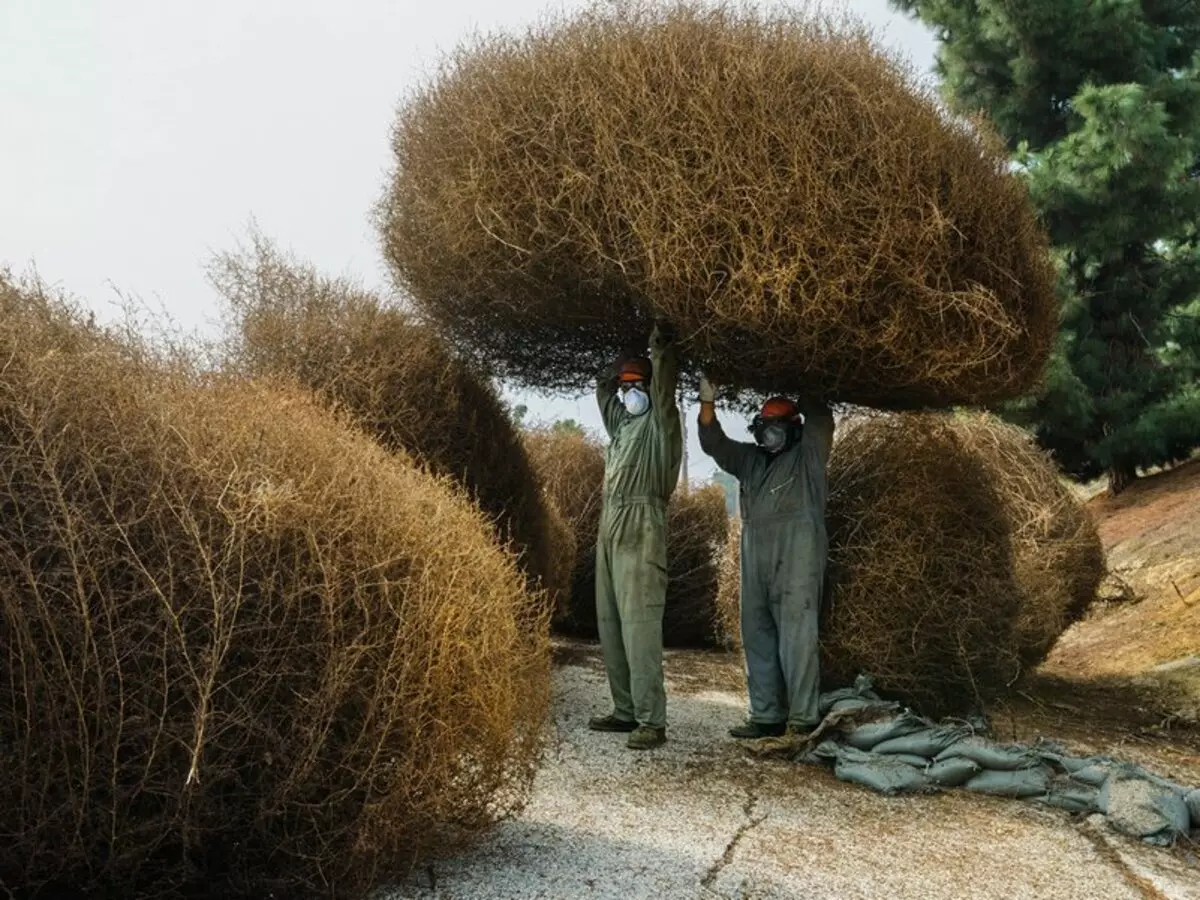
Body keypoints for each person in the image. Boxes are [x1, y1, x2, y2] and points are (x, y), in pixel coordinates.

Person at [697, 376, 834, 738]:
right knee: (756, 632)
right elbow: (714, 443)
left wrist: (799, 372)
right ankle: (766, 716)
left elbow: (821, 417)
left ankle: (802, 719)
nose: (770, 433)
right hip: (755, 553)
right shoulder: (750, 460)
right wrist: (707, 403)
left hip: (798, 554)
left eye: (778, 424)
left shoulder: (809, 454)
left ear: (794, 428)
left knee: (797, 635)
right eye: (765, 424)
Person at [587, 322, 682, 750]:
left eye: (635, 386)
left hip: (642, 527)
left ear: (649, 386)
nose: (628, 394)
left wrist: (656, 350)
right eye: (625, 388)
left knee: (640, 628)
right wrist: (619, 360)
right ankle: (625, 711)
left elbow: (663, 393)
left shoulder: (661, 425)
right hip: (610, 528)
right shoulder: (623, 425)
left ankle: (651, 721)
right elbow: (603, 390)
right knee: (610, 625)